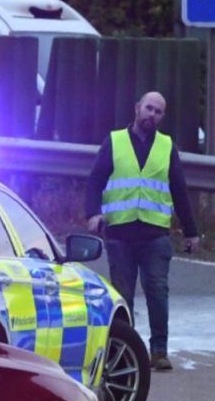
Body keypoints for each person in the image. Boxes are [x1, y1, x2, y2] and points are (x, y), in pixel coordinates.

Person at [85, 90, 200, 372]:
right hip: (120, 233)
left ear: (162, 117)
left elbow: (179, 190)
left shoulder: (166, 146)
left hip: (155, 234)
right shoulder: (114, 141)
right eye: (149, 108)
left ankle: (158, 351)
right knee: (122, 296)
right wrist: (92, 214)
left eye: (158, 111)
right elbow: (95, 180)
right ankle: (125, 353)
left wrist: (191, 231)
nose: (152, 115)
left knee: (157, 292)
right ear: (137, 108)